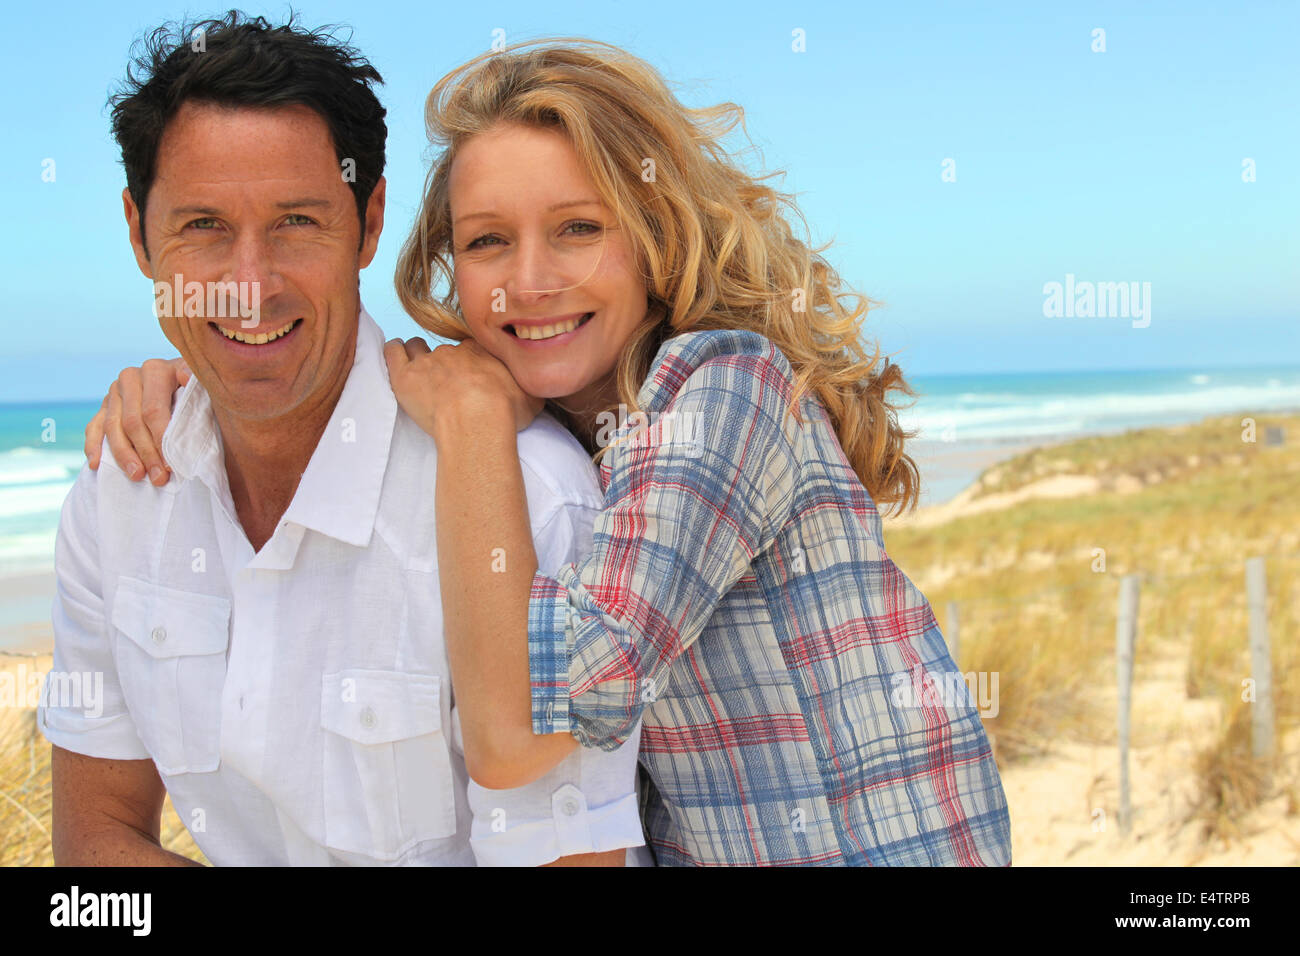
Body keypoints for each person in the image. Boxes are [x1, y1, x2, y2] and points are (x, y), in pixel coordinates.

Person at [92, 39, 1012, 866]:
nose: (530, 282)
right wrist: (205, 375)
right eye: (489, 241)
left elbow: (521, 734)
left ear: (655, 232)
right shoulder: (571, 423)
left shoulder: (723, 391)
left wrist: (474, 430)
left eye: (578, 228)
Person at [44, 13, 645, 867]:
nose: (249, 286)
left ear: (368, 225)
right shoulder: (117, 493)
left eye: (296, 222)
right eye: (203, 226)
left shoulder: (526, 502)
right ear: (140, 234)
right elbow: (93, 853)